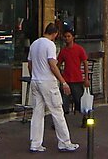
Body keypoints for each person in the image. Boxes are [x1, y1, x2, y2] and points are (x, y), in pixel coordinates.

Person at [27, 22, 78, 153]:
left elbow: (30, 64)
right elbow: (52, 64)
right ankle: (65, 142)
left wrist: (34, 75)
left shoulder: (34, 44)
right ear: (55, 34)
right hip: (48, 82)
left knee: (37, 113)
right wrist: (63, 82)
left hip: (35, 81)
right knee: (57, 111)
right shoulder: (50, 45)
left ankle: (35, 143)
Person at [56, 29, 89, 125]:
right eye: (65, 37)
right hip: (66, 79)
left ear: (73, 37)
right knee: (63, 101)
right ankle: (60, 122)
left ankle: (85, 117)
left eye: (68, 36)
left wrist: (86, 78)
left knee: (79, 100)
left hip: (77, 79)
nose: (67, 38)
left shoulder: (79, 49)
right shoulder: (63, 51)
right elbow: (58, 64)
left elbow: (85, 63)